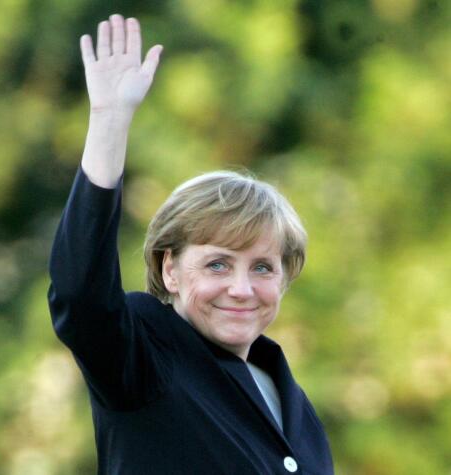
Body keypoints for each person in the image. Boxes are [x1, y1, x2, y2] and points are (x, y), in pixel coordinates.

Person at [48, 13, 334, 475]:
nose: (241, 288)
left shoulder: (289, 399)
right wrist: (109, 123)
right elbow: (80, 296)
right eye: (218, 265)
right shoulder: (146, 355)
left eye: (262, 267)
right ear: (170, 270)